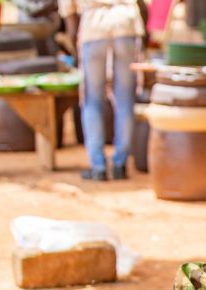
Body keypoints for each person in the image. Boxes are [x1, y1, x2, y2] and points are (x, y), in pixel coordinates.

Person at [60, 0, 145, 181]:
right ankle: (120, 164)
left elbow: (69, 12)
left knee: (92, 99)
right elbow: (143, 6)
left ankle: (98, 166)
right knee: (125, 99)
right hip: (126, 24)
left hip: (94, 28)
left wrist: (74, 47)